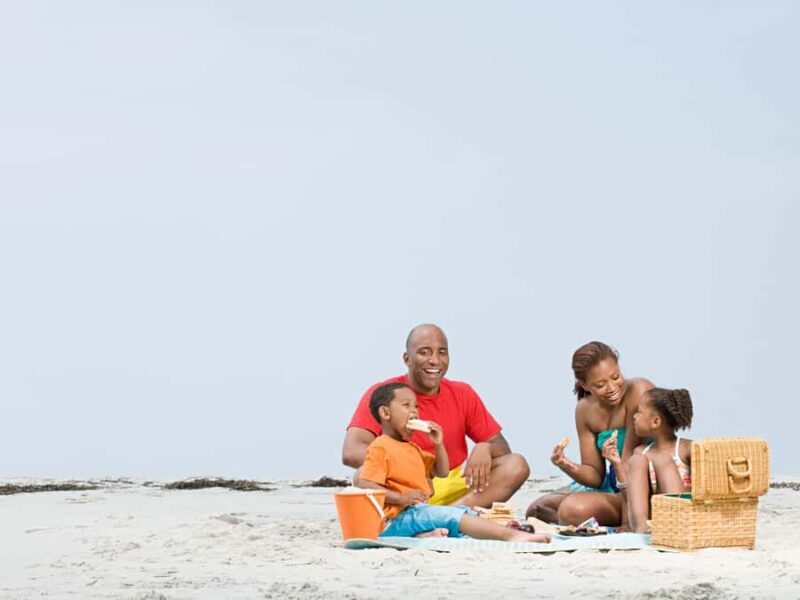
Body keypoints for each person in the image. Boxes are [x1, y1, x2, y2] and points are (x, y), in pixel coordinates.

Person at [342, 324, 529, 508]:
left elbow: (503, 448)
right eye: (424, 352)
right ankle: (431, 516)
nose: (435, 360)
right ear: (407, 359)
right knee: (362, 475)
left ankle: (453, 514)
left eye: (442, 352)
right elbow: (351, 452)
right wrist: (413, 468)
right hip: (403, 487)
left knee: (516, 465)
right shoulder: (385, 393)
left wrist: (484, 447)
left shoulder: (463, 393)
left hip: (452, 482)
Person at [358, 382, 550, 542]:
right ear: (385, 413)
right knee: (450, 516)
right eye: (406, 405)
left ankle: (424, 536)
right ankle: (511, 536)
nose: (414, 411)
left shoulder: (412, 448)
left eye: (416, 406)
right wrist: (400, 499)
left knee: (464, 513)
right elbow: (366, 485)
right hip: (393, 520)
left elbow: (440, 472)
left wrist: (438, 444)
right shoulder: (380, 446)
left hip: (416, 514)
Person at [525, 341, 653, 527]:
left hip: (640, 489)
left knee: (571, 510)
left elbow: (628, 463)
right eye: (601, 384)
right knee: (535, 510)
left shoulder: (639, 390)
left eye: (615, 377)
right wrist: (565, 464)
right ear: (585, 384)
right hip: (612, 487)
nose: (612, 388)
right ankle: (574, 519)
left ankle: (574, 519)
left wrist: (628, 525)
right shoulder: (584, 410)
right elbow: (594, 476)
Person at [604, 387, 693, 533]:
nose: (634, 416)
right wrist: (617, 463)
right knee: (637, 460)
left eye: (639, 412)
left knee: (662, 460)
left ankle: (675, 526)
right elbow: (630, 498)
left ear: (655, 421)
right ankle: (641, 528)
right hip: (652, 522)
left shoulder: (686, 448)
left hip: (680, 516)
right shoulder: (641, 452)